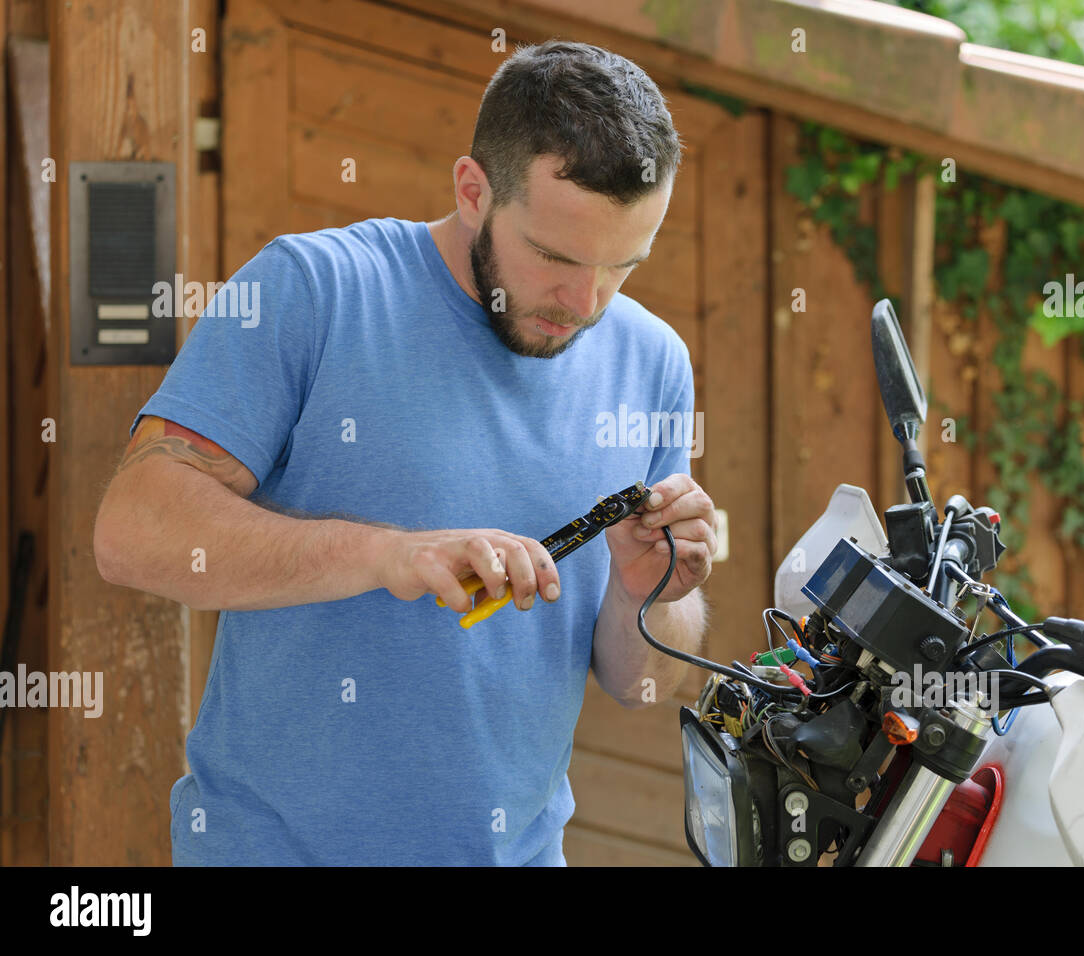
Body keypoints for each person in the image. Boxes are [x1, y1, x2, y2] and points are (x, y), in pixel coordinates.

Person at [92, 39, 717, 865]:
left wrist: (657, 595)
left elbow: (637, 683)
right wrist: (387, 555)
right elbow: (130, 532)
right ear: (472, 190)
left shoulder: (654, 362)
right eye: (555, 258)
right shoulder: (314, 289)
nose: (586, 302)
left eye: (623, 267)